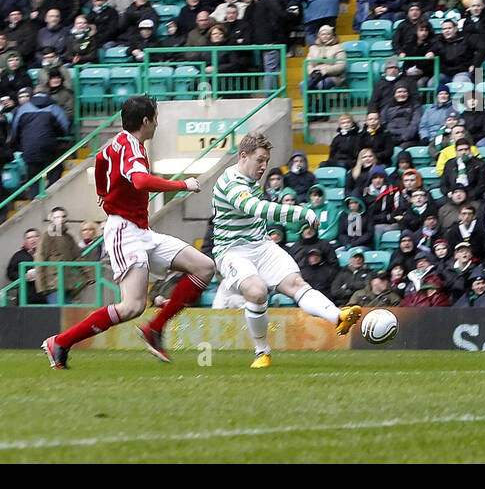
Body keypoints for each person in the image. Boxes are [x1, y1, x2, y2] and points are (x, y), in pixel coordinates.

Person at [42, 96, 215, 370]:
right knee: (132, 306)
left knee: (204, 267)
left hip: (141, 230)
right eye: (155, 118)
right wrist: (183, 184)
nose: (157, 123)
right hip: (124, 231)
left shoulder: (118, 142)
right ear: (146, 121)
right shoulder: (132, 148)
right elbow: (140, 181)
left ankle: (154, 329)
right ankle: (61, 342)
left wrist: (101, 191)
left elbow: (99, 160)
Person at [211, 133, 362, 367]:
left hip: (260, 244)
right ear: (243, 156)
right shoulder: (230, 182)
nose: (264, 166)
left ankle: (338, 317)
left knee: (296, 284)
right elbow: (256, 208)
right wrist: (303, 212)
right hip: (232, 250)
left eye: (267, 160)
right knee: (257, 291)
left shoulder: (250, 177)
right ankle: (262, 352)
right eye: (260, 160)